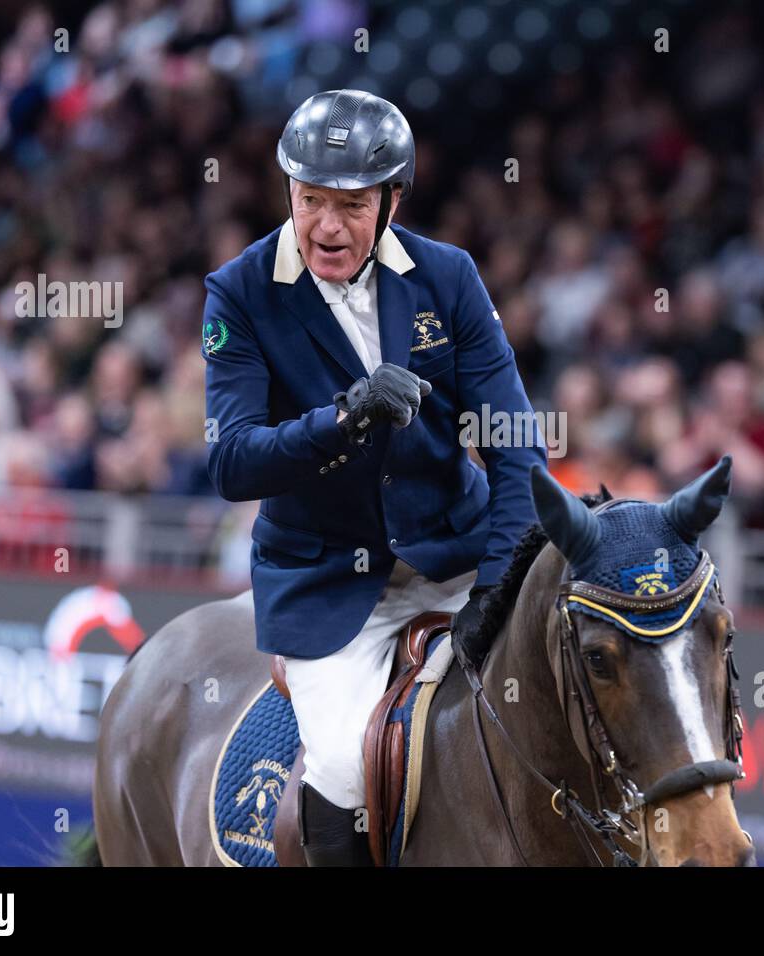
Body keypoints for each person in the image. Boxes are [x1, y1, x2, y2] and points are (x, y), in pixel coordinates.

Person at [201, 90, 545, 866]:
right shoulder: (241, 293)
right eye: (310, 199)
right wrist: (344, 418)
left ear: (392, 198)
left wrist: (499, 580)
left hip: (457, 559)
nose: (326, 226)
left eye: (351, 205)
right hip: (326, 580)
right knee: (340, 770)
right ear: (286, 189)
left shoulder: (448, 277)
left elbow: (515, 442)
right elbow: (231, 460)